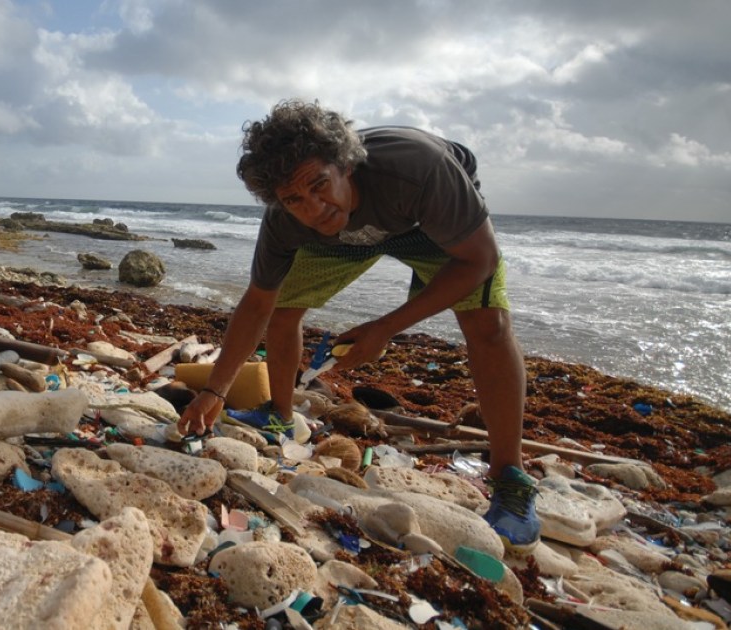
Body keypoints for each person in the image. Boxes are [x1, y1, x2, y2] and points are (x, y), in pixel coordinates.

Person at [177, 99, 540, 553]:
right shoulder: (290, 220)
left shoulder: (417, 168)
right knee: (285, 307)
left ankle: (511, 477)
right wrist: (215, 390)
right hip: (342, 238)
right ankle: (281, 415)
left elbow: (480, 259)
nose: (314, 207)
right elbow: (258, 304)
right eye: (294, 199)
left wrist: (384, 327)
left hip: (421, 220)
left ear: (346, 166)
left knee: (489, 325)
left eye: (319, 185)